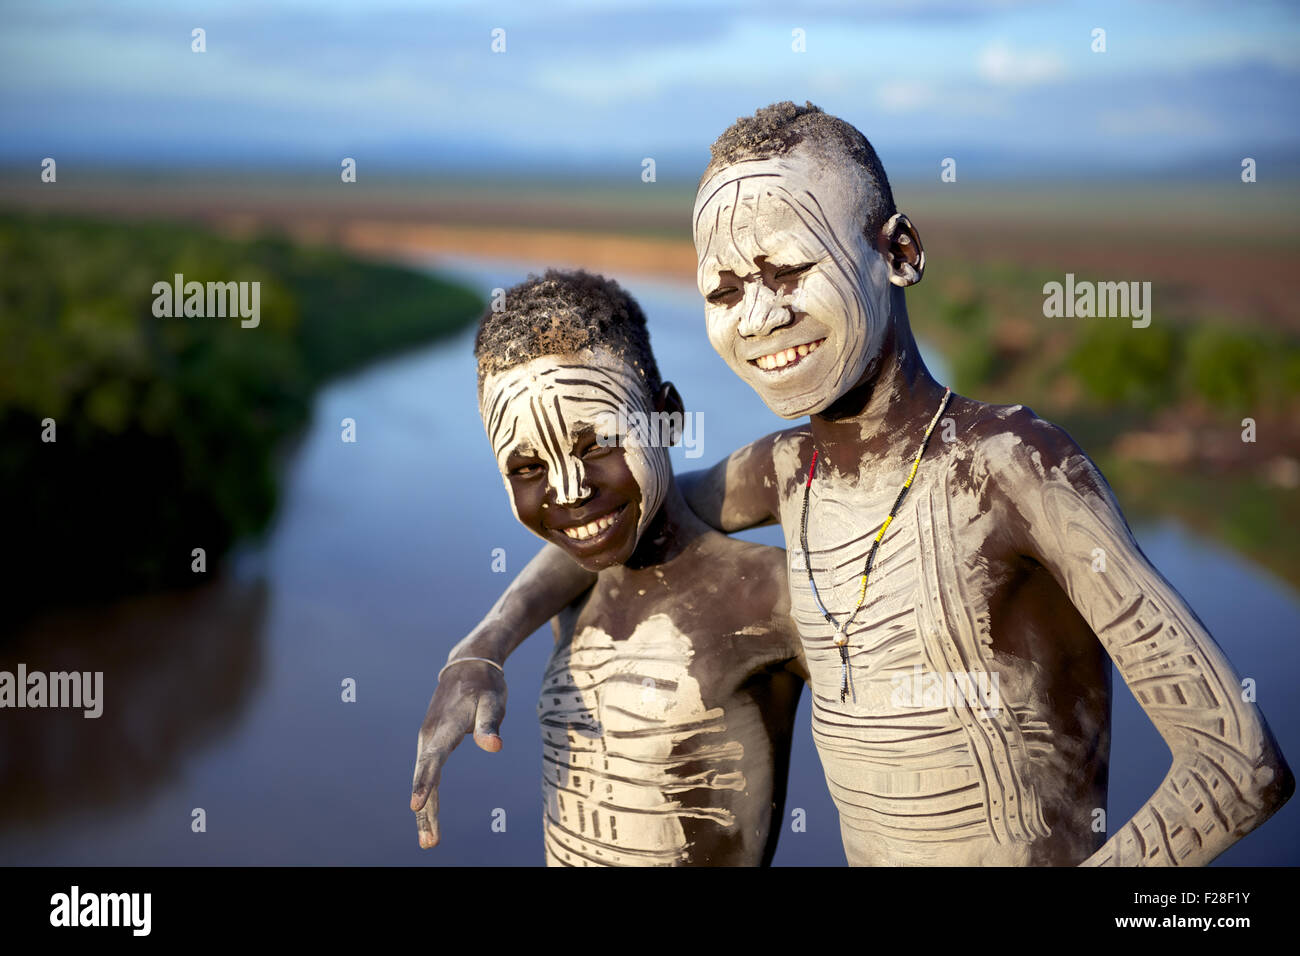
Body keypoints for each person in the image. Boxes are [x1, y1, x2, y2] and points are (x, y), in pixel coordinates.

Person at [415, 102, 1292, 866]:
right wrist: (481, 647)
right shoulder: (787, 471)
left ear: (899, 252)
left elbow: (1235, 764)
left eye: (789, 270)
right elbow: (611, 517)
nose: (760, 315)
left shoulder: (1011, 465)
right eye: (724, 290)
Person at [412, 269, 805, 865]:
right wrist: (479, 649)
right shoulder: (571, 597)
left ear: (667, 418)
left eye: (597, 444)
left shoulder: (770, 593)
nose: (568, 491)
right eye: (526, 468)